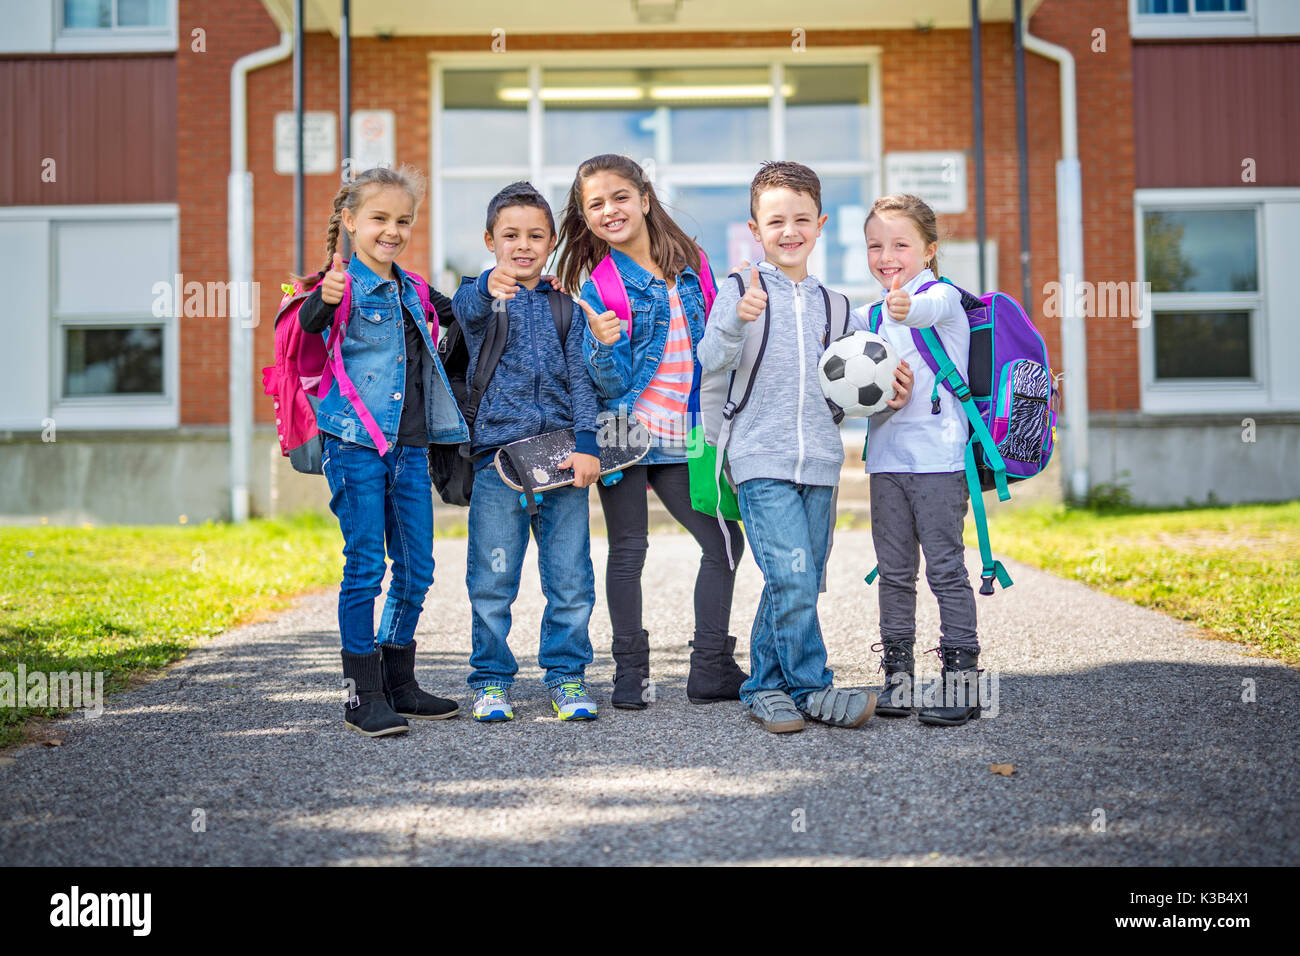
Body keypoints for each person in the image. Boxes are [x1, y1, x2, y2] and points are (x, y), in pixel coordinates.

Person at [699, 161, 913, 734]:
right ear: (755, 229)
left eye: (800, 219)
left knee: (801, 579)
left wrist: (890, 396)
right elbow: (711, 361)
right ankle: (811, 685)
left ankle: (767, 685)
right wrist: (734, 323)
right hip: (757, 459)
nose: (788, 231)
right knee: (791, 577)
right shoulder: (739, 289)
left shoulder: (838, 306)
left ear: (818, 225)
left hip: (820, 462)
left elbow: (845, 394)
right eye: (775, 221)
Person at [556, 153, 747, 711]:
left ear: (644, 198)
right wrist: (604, 344)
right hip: (623, 427)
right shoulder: (598, 286)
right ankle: (630, 675)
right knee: (628, 551)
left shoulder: (695, 263)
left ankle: (710, 665)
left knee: (725, 542)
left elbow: (715, 350)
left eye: (620, 197)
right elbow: (601, 381)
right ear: (586, 218)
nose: (610, 210)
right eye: (595, 204)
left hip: (688, 431)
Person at [297, 165, 468, 737]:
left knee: (418, 567)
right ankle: (360, 694)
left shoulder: (415, 288)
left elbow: (461, 315)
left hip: (412, 449)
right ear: (349, 221)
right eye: (378, 219)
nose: (391, 231)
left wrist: (497, 288)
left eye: (403, 220)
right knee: (366, 566)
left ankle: (399, 682)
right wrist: (324, 297)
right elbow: (307, 325)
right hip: (355, 445)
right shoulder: (338, 286)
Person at [451, 182, 602, 722]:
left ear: (552, 241)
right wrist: (489, 288)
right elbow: (465, 308)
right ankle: (491, 680)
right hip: (498, 462)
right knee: (492, 580)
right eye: (510, 235)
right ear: (490, 239)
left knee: (570, 578)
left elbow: (584, 383)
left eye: (536, 235)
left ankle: (566, 676)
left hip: (562, 459)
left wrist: (589, 447)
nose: (523, 245)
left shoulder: (568, 307)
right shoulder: (479, 297)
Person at [850, 193, 981, 727]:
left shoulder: (942, 299)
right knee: (895, 574)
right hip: (885, 462)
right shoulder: (870, 314)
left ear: (928, 250)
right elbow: (832, 331)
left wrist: (905, 306)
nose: (887, 256)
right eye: (875, 245)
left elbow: (921, 309)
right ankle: (898, 678)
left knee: (946, 570)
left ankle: (962, 680)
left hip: (938, 462)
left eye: (901, 244)